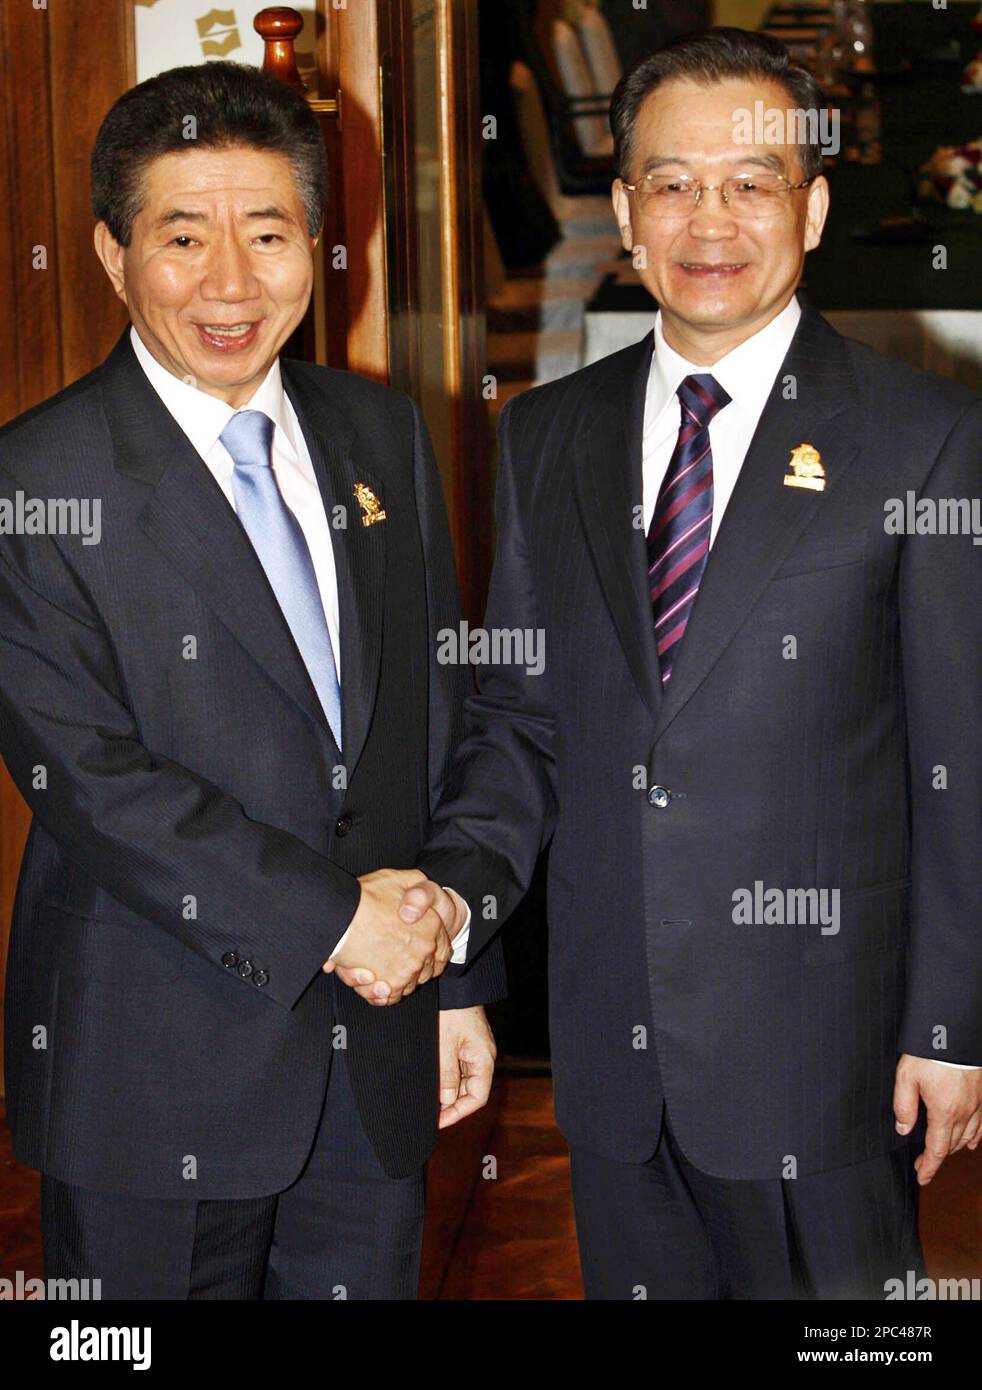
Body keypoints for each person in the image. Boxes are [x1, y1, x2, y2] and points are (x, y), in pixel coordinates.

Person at [372, 28, 981, 1298]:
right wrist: (455, 936)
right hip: (615, 1052)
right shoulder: (548, 432)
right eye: (673, 183)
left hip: (827, 1052)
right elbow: (519, 723)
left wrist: (952, 1022)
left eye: (751, 182)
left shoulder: (925, 437)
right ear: (624, 213)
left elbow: (959, 756)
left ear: (812, 209)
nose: (711, 220)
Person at [0, 60, 500, 1300]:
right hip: (151, 1065)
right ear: (114, 256)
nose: (231, 281)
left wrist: (455, 972)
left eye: (268, 233)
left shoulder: (382, 434)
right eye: (184, 236)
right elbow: (94, 783)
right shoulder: (37, 483)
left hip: (376, 1052)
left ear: (318, 246)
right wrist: (338, 921)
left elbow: (439, 721)